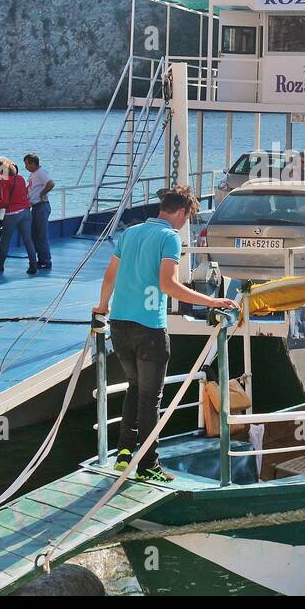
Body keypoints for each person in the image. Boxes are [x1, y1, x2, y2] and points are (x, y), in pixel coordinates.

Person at [93, 185, 237, 482]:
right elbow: (168, 285)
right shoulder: (169, 237)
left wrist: (101, 307)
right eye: (188, 217)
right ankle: (148, 465)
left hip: (119, 324)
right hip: (149, 329)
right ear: (182, 212)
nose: (185, 224)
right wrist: (212, 301)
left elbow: (110, 275)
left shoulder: (130, 233)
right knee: (150, 398)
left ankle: (123, 453)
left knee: (134, 386)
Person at [0, 158, 37, 275]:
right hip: (26, 212)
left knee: (5, 240)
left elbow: (4, 202)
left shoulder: (5, 182)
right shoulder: (20, 179)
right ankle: (33, 265)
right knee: (28, 240)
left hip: (12, 214)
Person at [24, 153, 55, 270]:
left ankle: (46, 261)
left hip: (41, 206)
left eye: (27, 164)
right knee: (35, 234)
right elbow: (30, 187)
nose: (26, 166)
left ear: (32, 163)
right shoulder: (33, 174)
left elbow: (51, 183)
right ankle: (41, 259)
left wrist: (42, 193)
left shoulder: (41, 172)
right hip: (35, 207)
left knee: (41, 235)